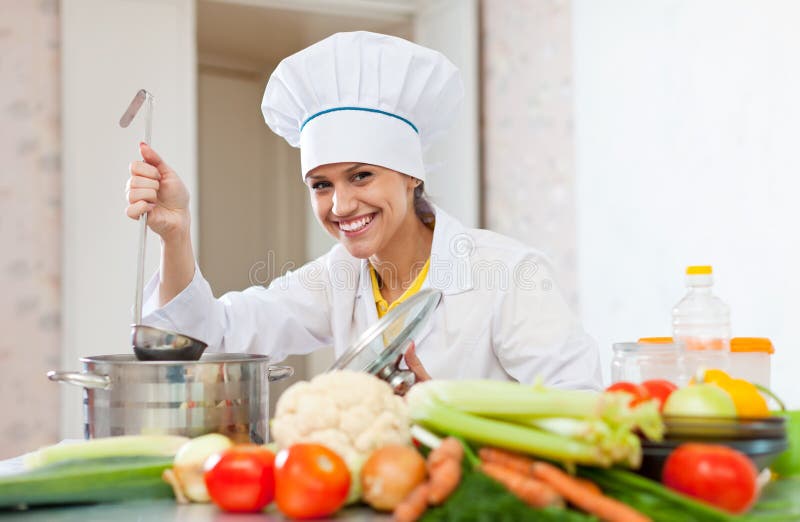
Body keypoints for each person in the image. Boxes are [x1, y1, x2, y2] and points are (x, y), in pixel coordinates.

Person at [126, 31, 602, 389]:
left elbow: (583, 403)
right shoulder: (336, 279)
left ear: (411, 176)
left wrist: (449, 416)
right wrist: (176, 233)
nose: (341, 204)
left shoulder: (508, 273)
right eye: (321, 185)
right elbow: (208, 337)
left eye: (361, 176)